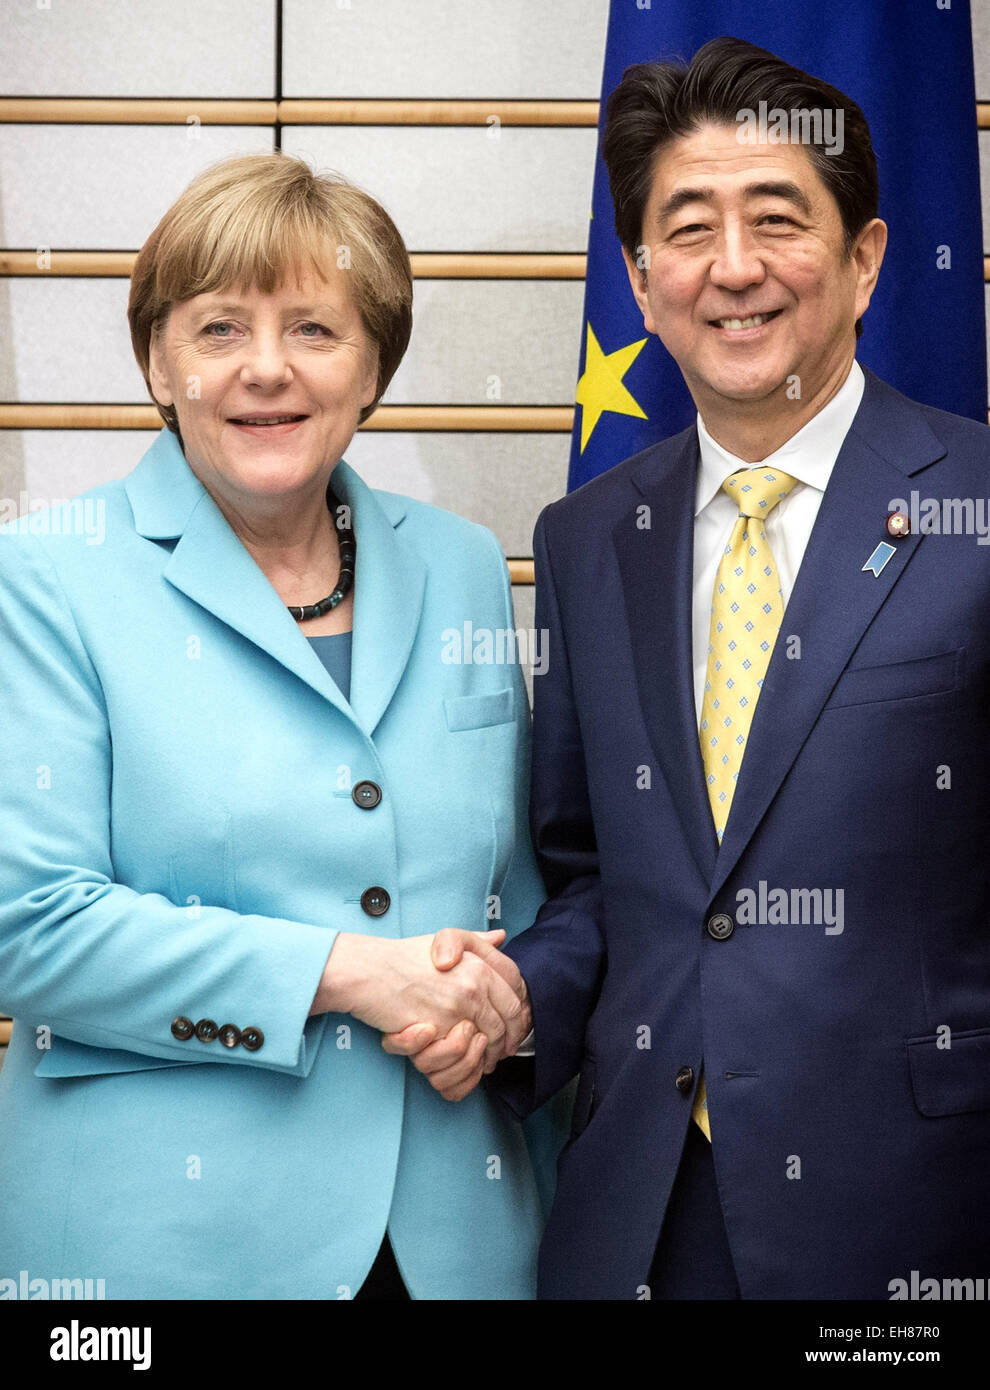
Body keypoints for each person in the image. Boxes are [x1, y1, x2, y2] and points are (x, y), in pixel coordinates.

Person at [387, 36, 990, 1299]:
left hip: (919, 1214)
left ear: (867, 257)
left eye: (778, 221)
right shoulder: (591, 536)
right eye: (690, 229)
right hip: (642, 1211)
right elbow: (602, 874)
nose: (734, 269)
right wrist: (500, 1004)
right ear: (640, 276)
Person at [0, 152, 554, 1301]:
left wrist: (505, 1010)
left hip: (455, 1238)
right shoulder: (45, 577)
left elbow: (523, 882)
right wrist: (351, 974)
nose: (266, 369)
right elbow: (29, 928)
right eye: (217, 330)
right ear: (159, 363)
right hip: (164, 1251)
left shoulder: (456, 565)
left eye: (314, 327)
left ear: (373, 368)